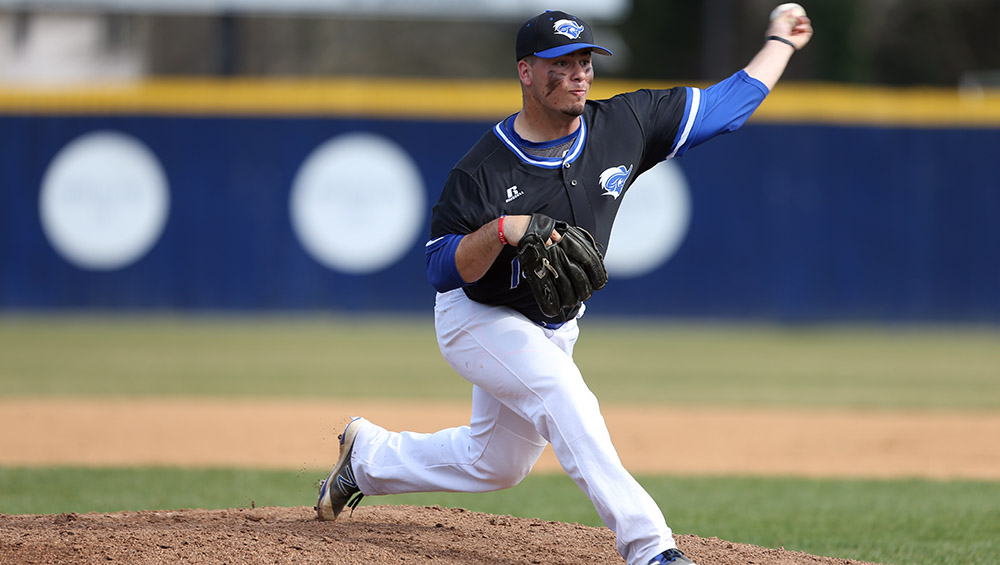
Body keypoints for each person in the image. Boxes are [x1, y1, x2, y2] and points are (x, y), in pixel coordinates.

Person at [317, 7, 813, 565]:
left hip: (553, 323)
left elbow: (730, 105)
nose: (578, 73)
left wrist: (780, 43)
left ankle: (367, 459)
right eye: (561, 63)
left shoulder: (623, 125)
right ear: (526, 72)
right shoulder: (483, 172)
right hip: (477, 317)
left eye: (584, 61)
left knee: (497, 463)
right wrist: (505, 230)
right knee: (565, 395)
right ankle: (650, 548)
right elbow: (441, 268)